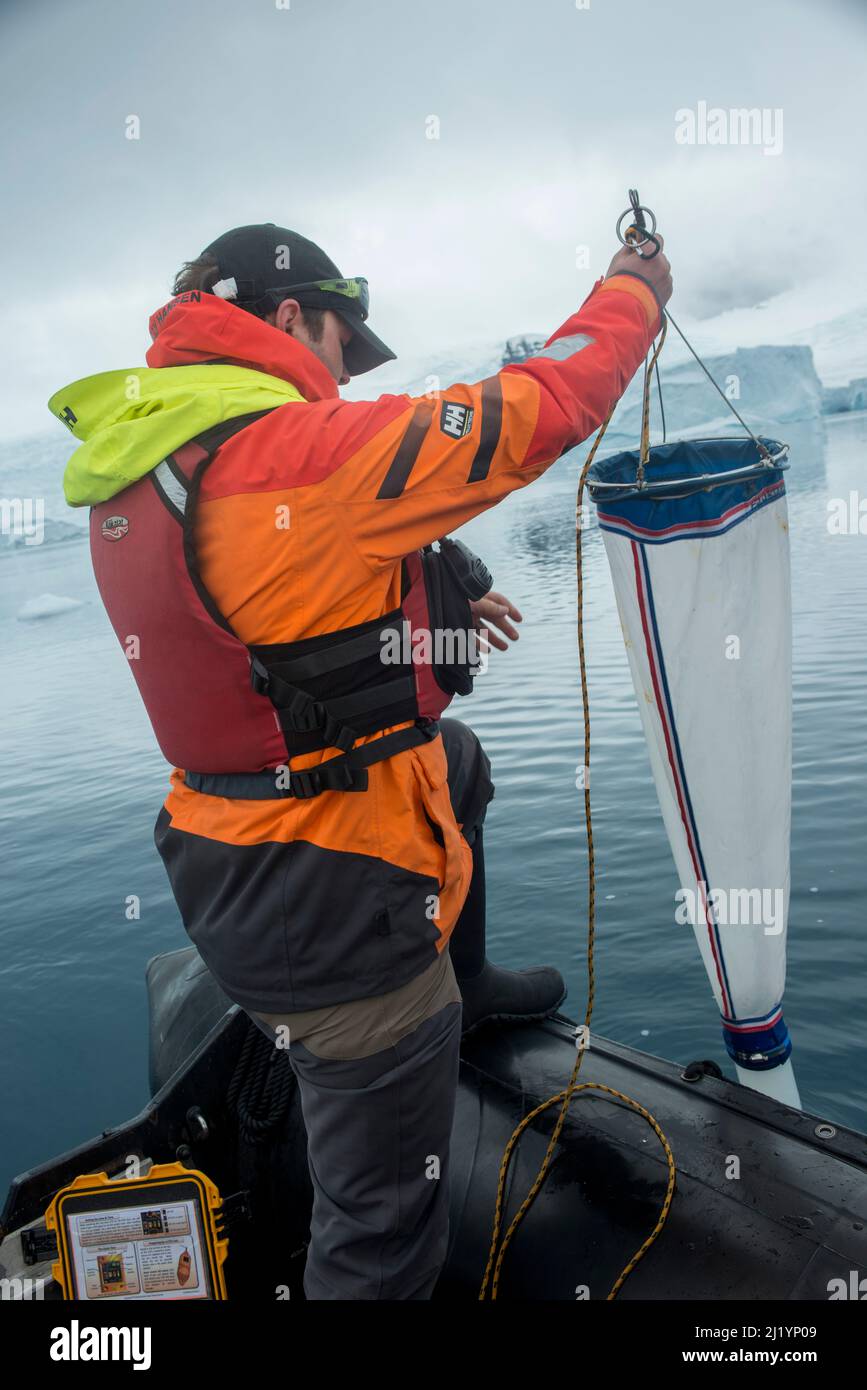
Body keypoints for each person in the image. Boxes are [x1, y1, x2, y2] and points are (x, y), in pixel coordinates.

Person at [50, 220, 672, 1300]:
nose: (342, 372)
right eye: (343, 342)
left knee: (459, 758)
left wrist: (435, 607)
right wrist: (632, 291)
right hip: (335, 896)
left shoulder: (154, 458)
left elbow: (262, 628)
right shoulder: (287, 452)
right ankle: (418, 1026)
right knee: (381, 1230)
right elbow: (538, 407)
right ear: (289, 316)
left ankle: (462, 983)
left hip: (227, 846)